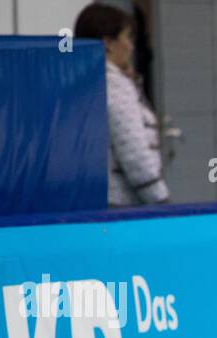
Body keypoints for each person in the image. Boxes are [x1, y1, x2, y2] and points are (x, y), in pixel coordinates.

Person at [73, 3, 170, 206]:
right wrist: (163, 202)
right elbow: (135, 155)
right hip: (122, 206)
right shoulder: (114, 86)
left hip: (94, 199)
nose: (131, 46)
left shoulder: (84, 81)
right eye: (127, 37)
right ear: (108, 43)